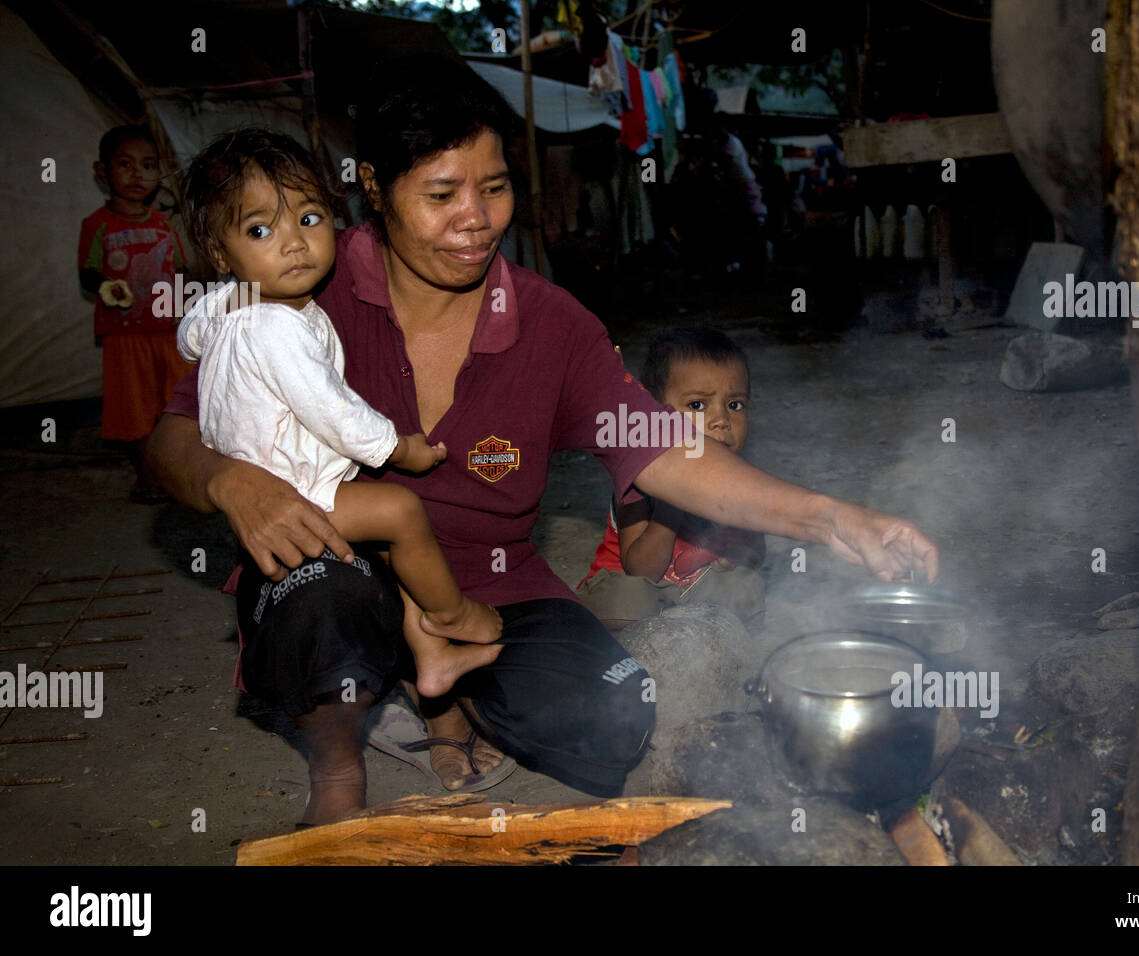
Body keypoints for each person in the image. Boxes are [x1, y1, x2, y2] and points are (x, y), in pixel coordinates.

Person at [144, 57, 939, 827]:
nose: (476, 220)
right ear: (376, 190)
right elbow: (173, 437)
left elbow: (661, 446)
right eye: (442, 194)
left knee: (610, 721)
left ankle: (450, 689)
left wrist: (832, 519)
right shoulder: (297, 288)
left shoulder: (549, 322)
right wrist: (228, 484)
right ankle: (339, 760)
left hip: (493, 586)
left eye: (494, 188)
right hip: (339, 562)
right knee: (321, 596)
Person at [176, 128, 503, 702]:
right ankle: (455, 616)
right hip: (292, 487)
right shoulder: (274, 326)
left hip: (275, 473)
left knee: (382, 548)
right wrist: (399, 448)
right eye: (260, 230)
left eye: (308, 219)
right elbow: (332, 409)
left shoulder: (229, 306)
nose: (294, 244)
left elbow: (190, 338)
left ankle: (431, 658)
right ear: (222, 254)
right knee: (401, 512)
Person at [577, 328, 766, 631]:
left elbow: (757, 552)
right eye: (696, 405)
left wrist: (736, 551)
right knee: (625, 595)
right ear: (654, 412)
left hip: (695, 595)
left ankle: (702, 639)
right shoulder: (640, 478)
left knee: (745, 586)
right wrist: (671, 504)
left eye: (735, 405)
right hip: (640, 590)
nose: (721, 420)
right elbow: (641, 569)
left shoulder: (738, 476)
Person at [77, 125, 190, 502]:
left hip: (169, 331)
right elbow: (89, 271)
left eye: (147, 165)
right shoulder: (97, 225)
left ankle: (181, 472)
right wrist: (104, 285)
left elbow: (181, 271)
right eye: (125, 164)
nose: (137, 174)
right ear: (102, 171)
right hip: (125, 335)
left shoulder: (164, 224)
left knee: (177, 402)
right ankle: (148, 478)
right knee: (135, 408)